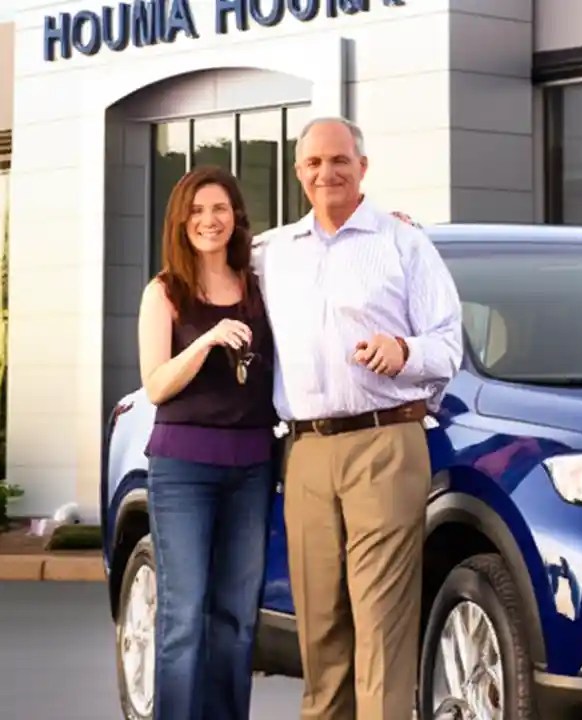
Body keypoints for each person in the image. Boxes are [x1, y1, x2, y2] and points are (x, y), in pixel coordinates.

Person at [252, 116, 464, 720]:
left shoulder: (403, 244)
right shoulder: (273, 254)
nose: (327, 172)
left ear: (362, 167)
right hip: (307, 451)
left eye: (340, 160)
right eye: (314, 163)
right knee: (319, 625)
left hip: (386, 440)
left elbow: (448, 343)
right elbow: (206, 268)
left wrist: (405, 353)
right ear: (299, 174)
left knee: (381, 623)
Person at [137, 165, 278, 720]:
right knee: (184, 616)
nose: (208, 220)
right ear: (180, 220)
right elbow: (156, 385)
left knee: (237, 619)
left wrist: (390, 222)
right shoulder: (164, 291)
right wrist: (209, 341)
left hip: (251, 466)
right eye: (196, 211)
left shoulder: (258, 282)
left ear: (236, 215)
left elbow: (310, 246)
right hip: (183, 469)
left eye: (219, 208)